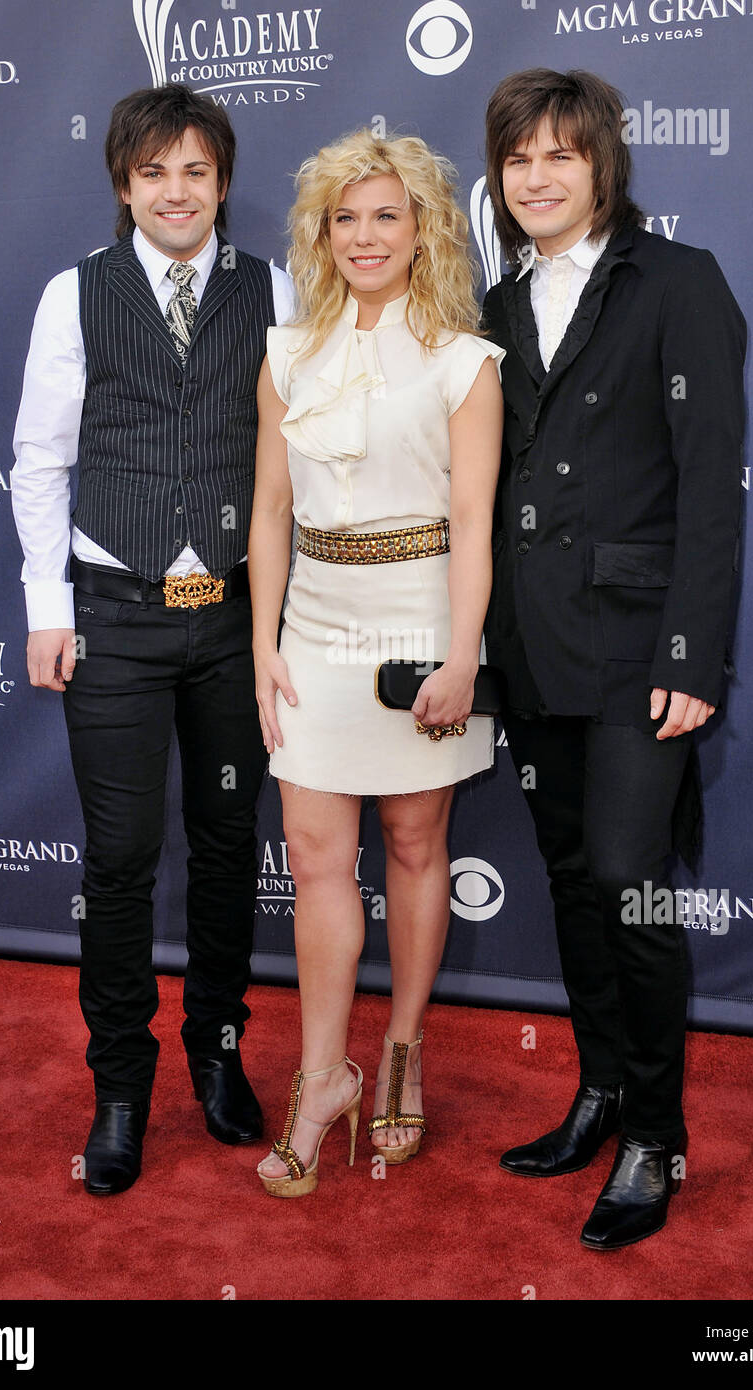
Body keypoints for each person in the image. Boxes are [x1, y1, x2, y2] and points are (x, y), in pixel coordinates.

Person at [11, 83, 294, 1195]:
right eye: (152, 173)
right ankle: (119, 1089)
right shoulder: (73, 295)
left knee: (230, 850)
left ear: (223, 181)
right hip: (116, 621)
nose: (174, 192)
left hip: (231, 624)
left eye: (194, 171)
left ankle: (217, 1054)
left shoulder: (275, 290)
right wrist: (49, 605)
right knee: (121, 862)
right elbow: (40, 459)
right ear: (124, 183)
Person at [481, 69, 746, 1248]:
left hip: (643, 651)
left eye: (559, 155)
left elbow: (711, 487)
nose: (536, 177)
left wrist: (692, 653)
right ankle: (596, 1089)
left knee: (632, 883)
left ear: (603, 164)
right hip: (533, 649)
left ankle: (656, 1130)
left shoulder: (676, 283)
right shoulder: (491, 306)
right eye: (516, 158)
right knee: (575, 882)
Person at [247, 130, 504, 1196]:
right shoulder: (285, 349)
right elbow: (268, 509)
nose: (363, 236)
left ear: (423, 229)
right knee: (313, 856)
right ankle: (320, 1077)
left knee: (411, 842)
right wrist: (260, 644)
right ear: (320, 230)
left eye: (385, 215)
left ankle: (400, 1048)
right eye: (344, 216)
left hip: (419, 620)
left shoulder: (462, 358)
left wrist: (458, 656)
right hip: (312, 625)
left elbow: (476, 523)